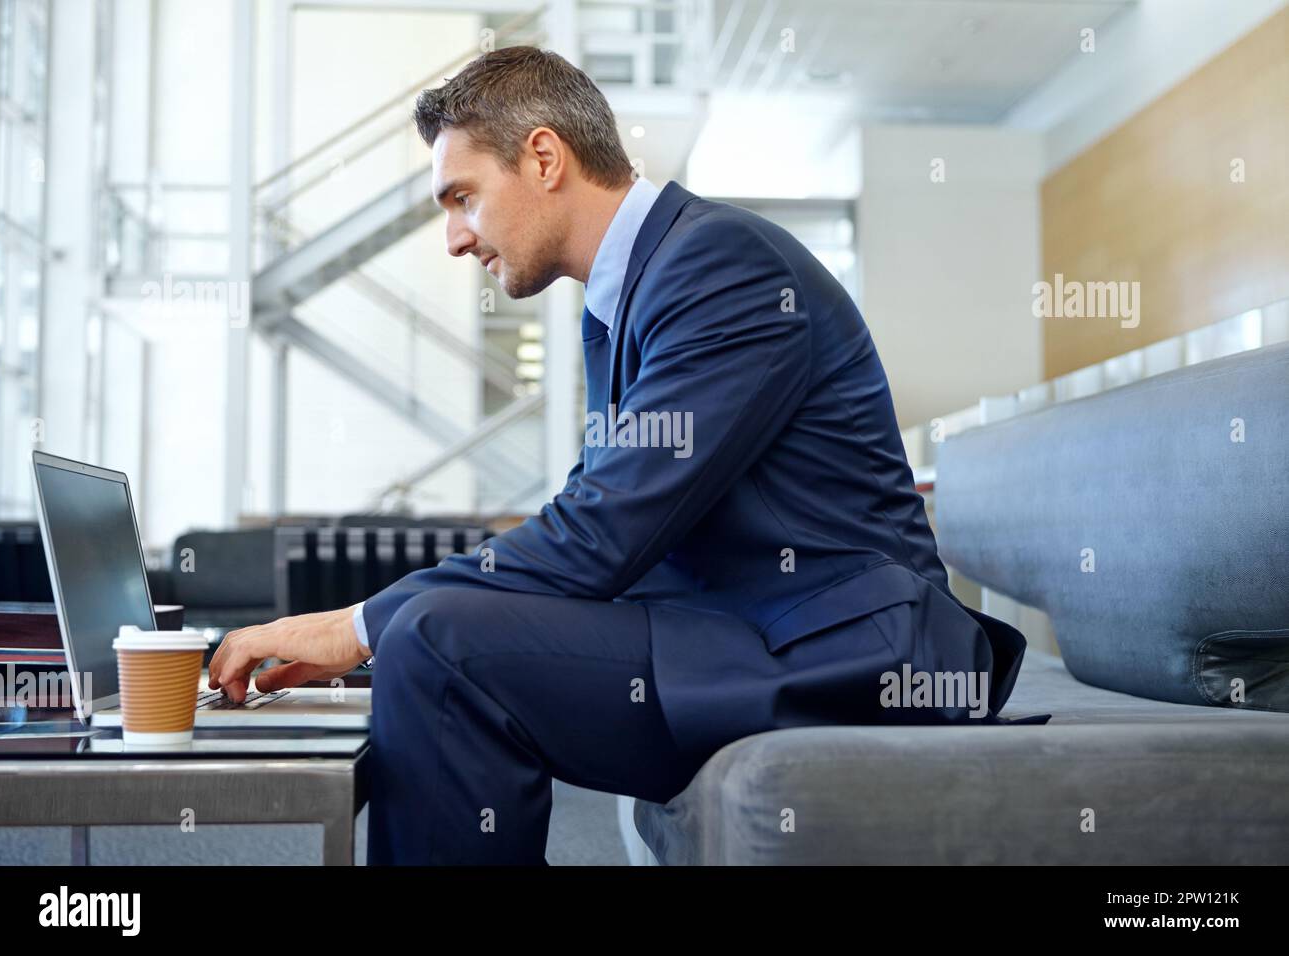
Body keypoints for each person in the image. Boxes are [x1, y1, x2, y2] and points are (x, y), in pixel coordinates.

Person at [209, 46, 1039, 865]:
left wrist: (358, 628)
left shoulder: (721, 265)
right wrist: (386, 632)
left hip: (854, 650)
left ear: (542, 157)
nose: (457, 239)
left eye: (462, 198)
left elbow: (601, 535)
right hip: (750, 629)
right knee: (437, 638)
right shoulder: (627, 298)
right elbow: (602, 521)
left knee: (437, 642)